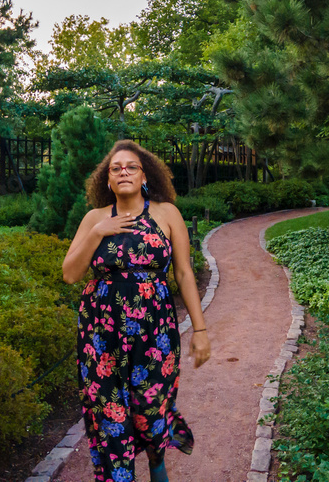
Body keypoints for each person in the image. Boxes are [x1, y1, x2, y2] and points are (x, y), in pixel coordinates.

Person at [62, 139, 211, 482]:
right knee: (111, 415)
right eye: (116, 168)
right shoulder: (95, 219)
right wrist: (98, 232)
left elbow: (184, 273)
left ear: (144, 175)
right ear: (108, 180)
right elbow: (70, 274)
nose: (123, 171)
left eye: (131, 166)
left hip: (154, 333)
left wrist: (200, 330)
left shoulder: (166, 213)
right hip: (101, 336)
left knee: (150, 408)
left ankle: (157, 458)